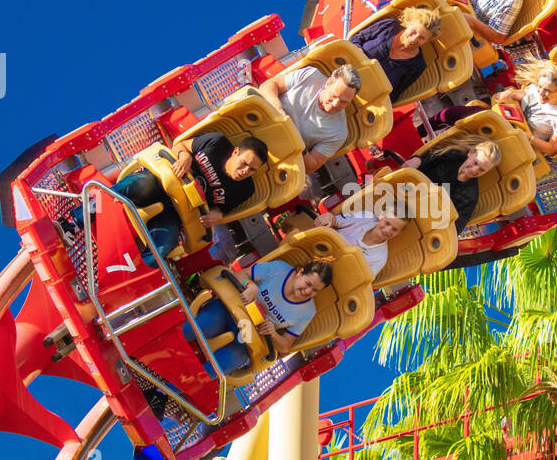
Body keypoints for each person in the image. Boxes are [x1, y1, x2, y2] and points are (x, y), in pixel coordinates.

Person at [63, 134, 268, 267]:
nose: (244, 172)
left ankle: (118, 267)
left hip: (179, 212)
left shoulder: (246, 189)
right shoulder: (217, 143)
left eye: (252, 170)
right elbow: (181, 145)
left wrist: (216, 216)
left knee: (160, 251)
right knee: (135, 185)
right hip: (160, 183)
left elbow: (224, 212)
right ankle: (74, 223)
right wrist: (184, 157)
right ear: (235, 152)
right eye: (244, 164)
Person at [182, 259, 333, 375]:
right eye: (307, 283)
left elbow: (286, 345)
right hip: (229, 311)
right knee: (201, 327)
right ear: (300, 272)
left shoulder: (307, 312)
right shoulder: (279, 269)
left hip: (247, 336)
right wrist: (250, 285)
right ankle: (161, 346)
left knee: (228, 362)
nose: (307, 291)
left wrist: (273, 333)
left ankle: (170, 390)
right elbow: (240, 274)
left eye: (314, 290)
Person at [432, 60, 557, 158]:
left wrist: (529, 137)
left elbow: (551, 148)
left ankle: (436, 152)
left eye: (547, 91)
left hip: (517, 141)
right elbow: (526, 95)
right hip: (505, 119)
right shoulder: (538, 89)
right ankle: (420, 130)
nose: (541, 93)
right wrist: (511, 93)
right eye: (540, 87)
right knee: (455, 113)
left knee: (468, 142)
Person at [259, 64, 361, 172]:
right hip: (262, 121)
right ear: (328, 83)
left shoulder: (338, 132)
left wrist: (298, 143)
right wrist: (278, 109)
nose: (335, 104)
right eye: (334, 95)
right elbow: (268, 86)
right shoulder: (310, 76)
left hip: (277, 155)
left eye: (344, 102)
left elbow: (312, 166)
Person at [403, 135, 502, 233]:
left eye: (482, 170)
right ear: (471, 153)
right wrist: (417, 159)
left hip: (423, 219)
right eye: (476, 163)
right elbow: (426, 160)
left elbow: (457, 227)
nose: (475, 170)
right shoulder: (451, 157)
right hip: (407, 192)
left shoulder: (470, 195)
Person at [349, 5, 442, 104]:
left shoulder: (418, 65)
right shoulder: (389, 26)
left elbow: (392, 96)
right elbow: (355, 38)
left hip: (361, 99)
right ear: (408, 23)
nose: (414, 39)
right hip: (345, 69)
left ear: (427, 41)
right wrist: (358, 49)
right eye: (414, 32)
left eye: (422, 38)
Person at [314, 210, 407, 278]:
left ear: (399, 233)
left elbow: (358, 280)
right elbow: (336, 220)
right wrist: (329, 217)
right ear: (381, 215)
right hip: (320, 246)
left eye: (394, 229)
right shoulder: (366, 217)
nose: (387, 230)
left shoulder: (379, 259)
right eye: (387, 223)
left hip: (328, 273)